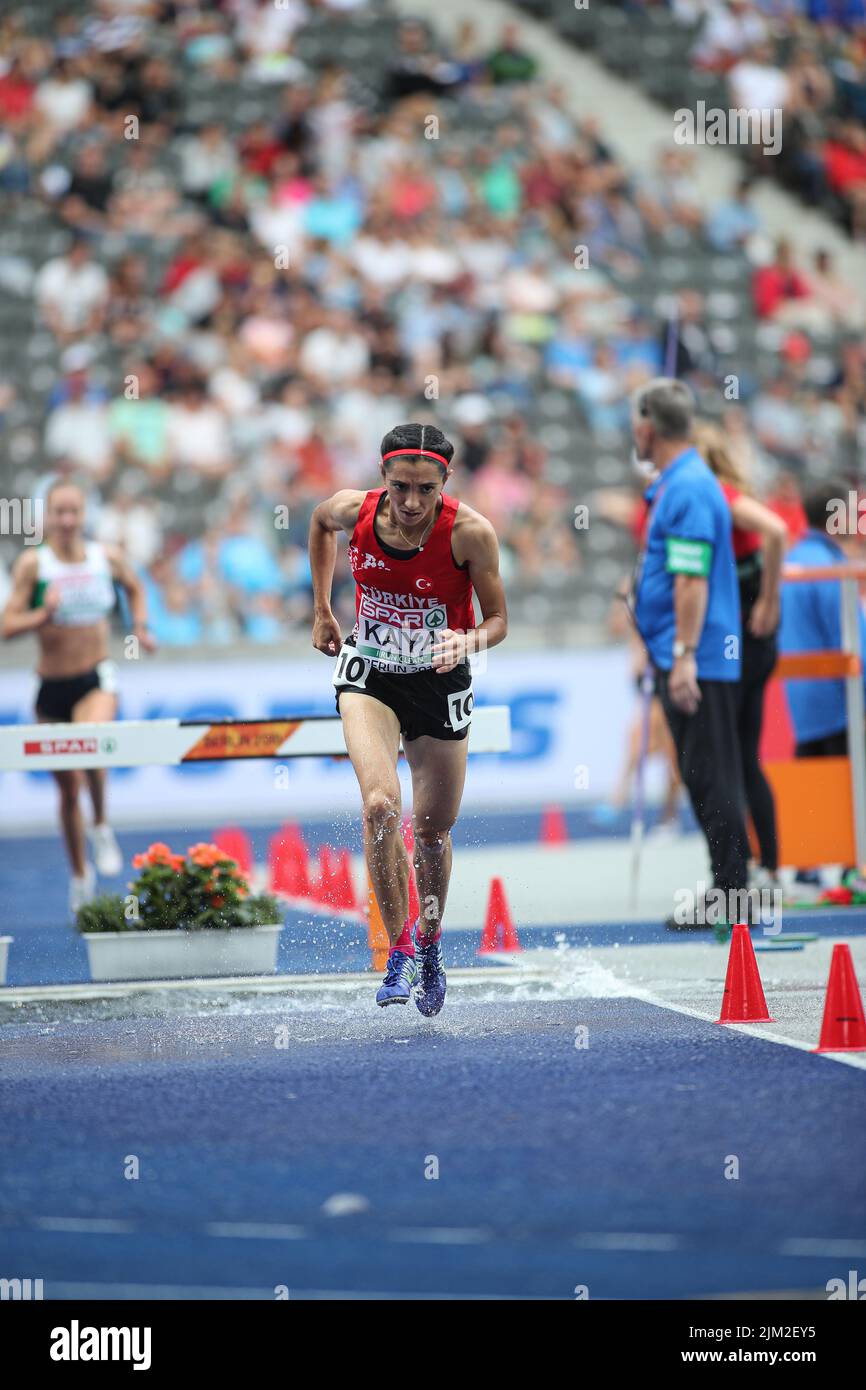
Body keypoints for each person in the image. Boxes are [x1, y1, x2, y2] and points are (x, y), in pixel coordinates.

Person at [308, 423, 508, 1011]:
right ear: (383, 480)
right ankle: (395, 949)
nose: (413, 502)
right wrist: (321, 609)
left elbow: (498, 620)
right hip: (370, 670)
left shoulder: (470, 533)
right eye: (401, 488)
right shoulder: (355, 511)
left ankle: (429, 941)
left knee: (431, 829)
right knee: (378, 805)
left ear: (446, 481)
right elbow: (319, 522)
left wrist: (468, 642)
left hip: (439, 677)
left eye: (426, 489)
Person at [1, 479, 156, 912]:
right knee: (67, 790)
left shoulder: (105, 557)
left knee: (91, 741)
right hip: (50, 687)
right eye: (59, 513)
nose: (67, 521)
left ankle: (102, 824)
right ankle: (78, 874)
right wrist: (43, 614)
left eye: (74, 512)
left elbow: (136, 587)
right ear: (46, 517)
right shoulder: (35, 565)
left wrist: (140, 627)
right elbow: (7, 626)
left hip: (94, 677)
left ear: (84, 515)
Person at [630, 380, 750, 931]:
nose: (634, 431)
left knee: (711, 774)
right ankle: (727, 889)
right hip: (688, 651)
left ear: (649, 426)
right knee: (702, 772)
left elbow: (691, 579)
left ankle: (733, 895)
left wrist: (683, 655)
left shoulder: (688, 489)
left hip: (696, 656)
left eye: (636, 421)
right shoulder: (679, 484)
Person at [693, 422, 787, 892]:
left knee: (733, 757)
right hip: (748, 635)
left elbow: (777, 530)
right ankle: (768, 867)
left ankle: (756, 869)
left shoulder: (719, 495)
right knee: (743, 755)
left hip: (748, 635)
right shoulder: (716, 495)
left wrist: (770, 601)